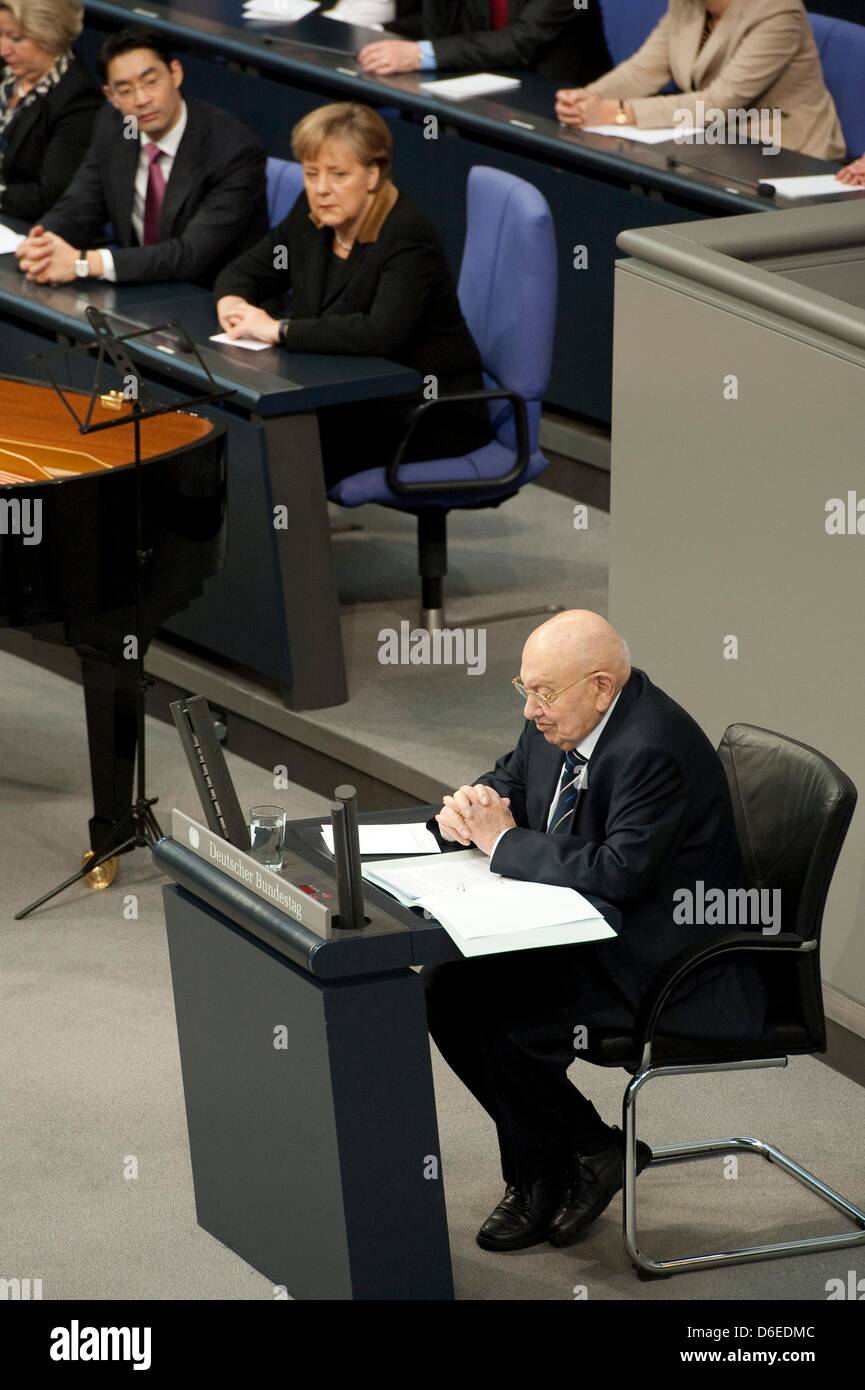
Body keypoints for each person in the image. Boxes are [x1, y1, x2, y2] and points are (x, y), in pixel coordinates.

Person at [423, 610, 768, 1253]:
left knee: (504, 1013)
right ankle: (582, 1154)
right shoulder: (560, 720)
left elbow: (619, 873)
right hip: (595, 934)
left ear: (602, 687)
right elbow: (512, 781)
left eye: (544, 694)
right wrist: (468, 809)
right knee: (447, 986)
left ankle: (548, 1171)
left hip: (669, 961)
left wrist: (504, 842)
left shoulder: (651, 748)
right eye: (523, 690)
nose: (530, 711)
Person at [213, 101, 492, 488]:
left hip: (423, 411)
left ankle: (289, 545)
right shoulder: (312, 218)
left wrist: (279, 330)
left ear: (373, 174)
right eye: (311, 174)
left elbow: (379, 333)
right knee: (236, 431)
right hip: (347, 398)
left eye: (338, 174)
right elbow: (245, 271)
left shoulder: (407, 235)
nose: (321, 189)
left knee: (276, 450)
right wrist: (232, 301)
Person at [14, 25, 267, 287]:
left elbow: (191, 256)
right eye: (125, 90)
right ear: (110, 96)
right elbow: (79, 207)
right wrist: (42, 241)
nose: (142, 99)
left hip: (214, 295)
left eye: (151, 81)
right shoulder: (117, 126)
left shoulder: (233, 150)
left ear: (175, 74)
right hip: (139, 285)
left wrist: (85, 263)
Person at [555, 0, 846, 162]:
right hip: (715, 139)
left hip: (786, 151)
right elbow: (643, 70)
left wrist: (617, 113)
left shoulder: (777, 11)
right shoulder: (686, 4)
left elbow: (719, 102)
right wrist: (586, 99)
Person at [0, 0, 101, 221]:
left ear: (49, 36)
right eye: (0, 35)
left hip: (21, 224)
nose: (3, 49)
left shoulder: (78, 99)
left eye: (16, 39)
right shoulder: (6, 74)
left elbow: (48, 196)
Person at [359, 0, 611, 86]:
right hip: (490, 83)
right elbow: (443, 32)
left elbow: (521, 41)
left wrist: (420, 54)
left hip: (556, 97)